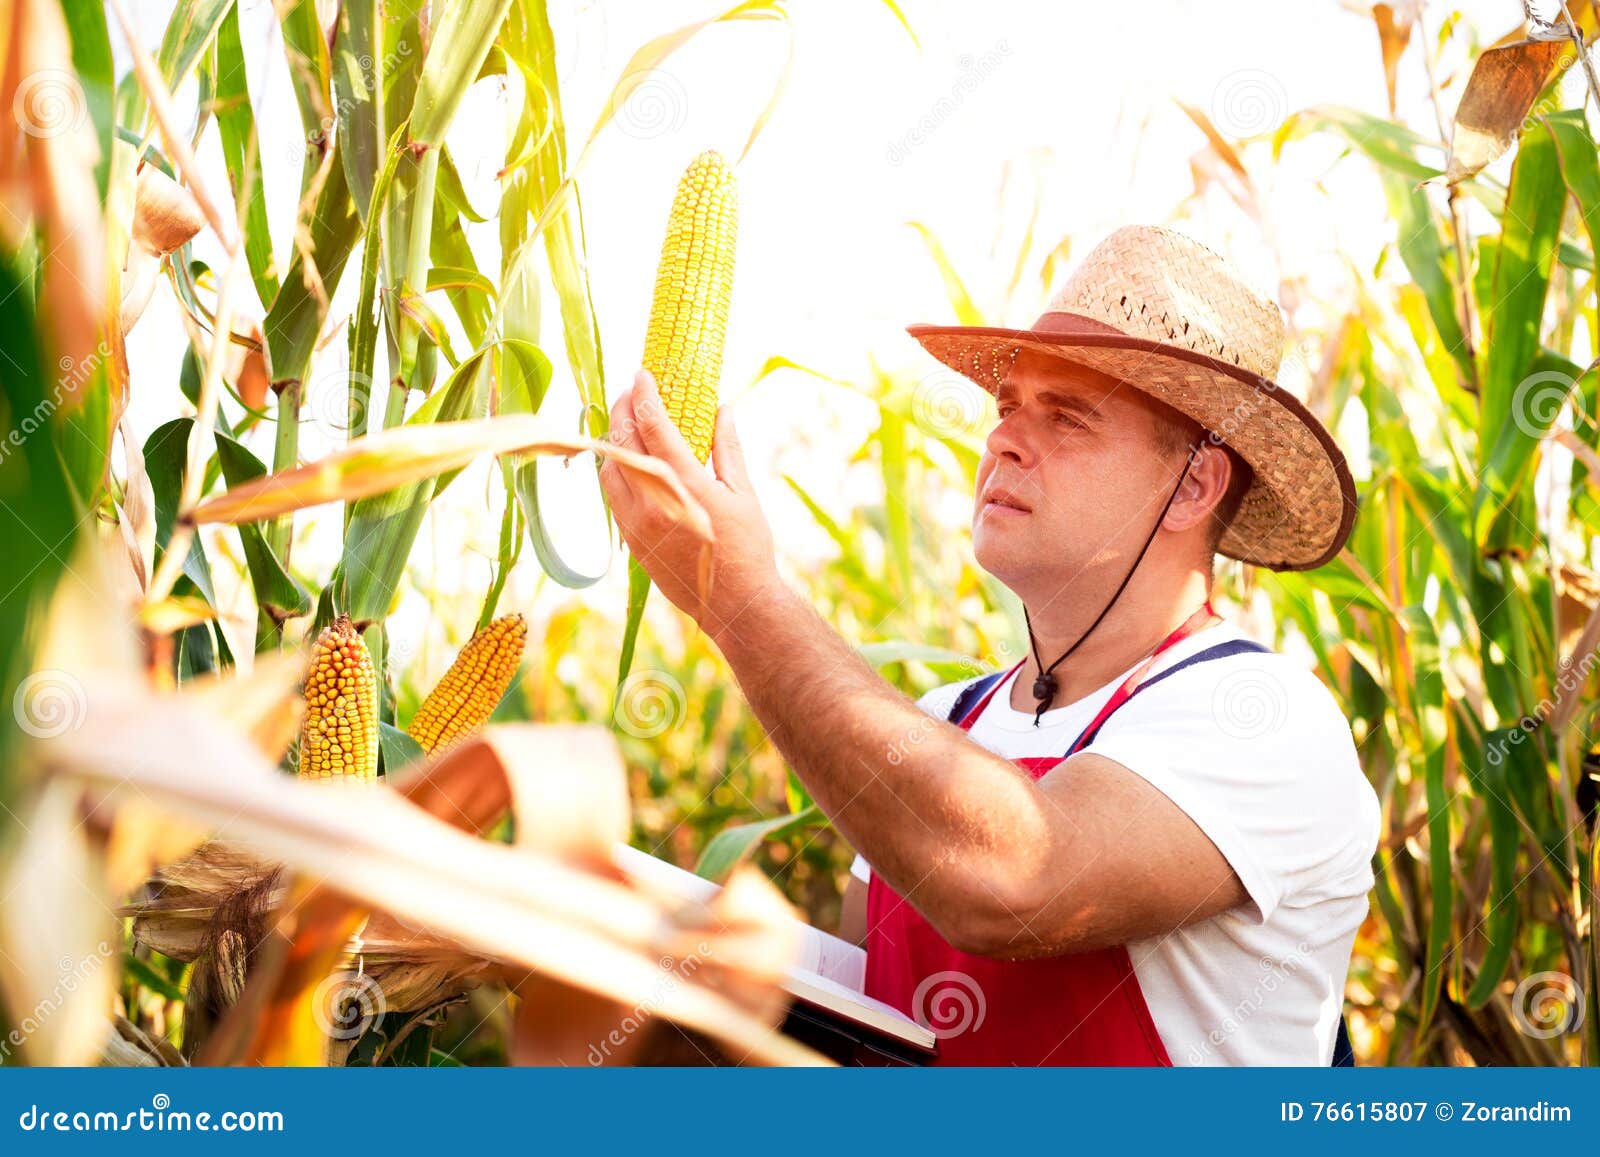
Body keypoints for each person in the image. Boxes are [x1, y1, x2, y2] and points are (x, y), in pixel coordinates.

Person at [599, 224, 1380, 1066]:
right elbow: (862, 1030)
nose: (1003, 438)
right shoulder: (945, 720)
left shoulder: (1265, 719)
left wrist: (739, 599)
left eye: (1068, 417)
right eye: (1008, 406)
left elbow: (1020, 881)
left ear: (1192, 483)